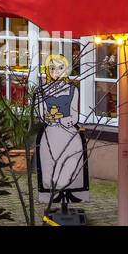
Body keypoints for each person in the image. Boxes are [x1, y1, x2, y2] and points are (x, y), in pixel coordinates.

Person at [33, 54, 89, 209]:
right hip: (50, 133)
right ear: (47, 70)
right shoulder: (41, 91)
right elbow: (41, 113)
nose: (56, 72)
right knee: (50, 161)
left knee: (70, 160)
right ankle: (53, 191)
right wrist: (48, 118)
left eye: (60, 68)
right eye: (52, 68)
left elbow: (75, 114)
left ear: (66, 70)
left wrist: (65, 121)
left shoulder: (72, 90)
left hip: (68, 132)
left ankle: (70, 190)